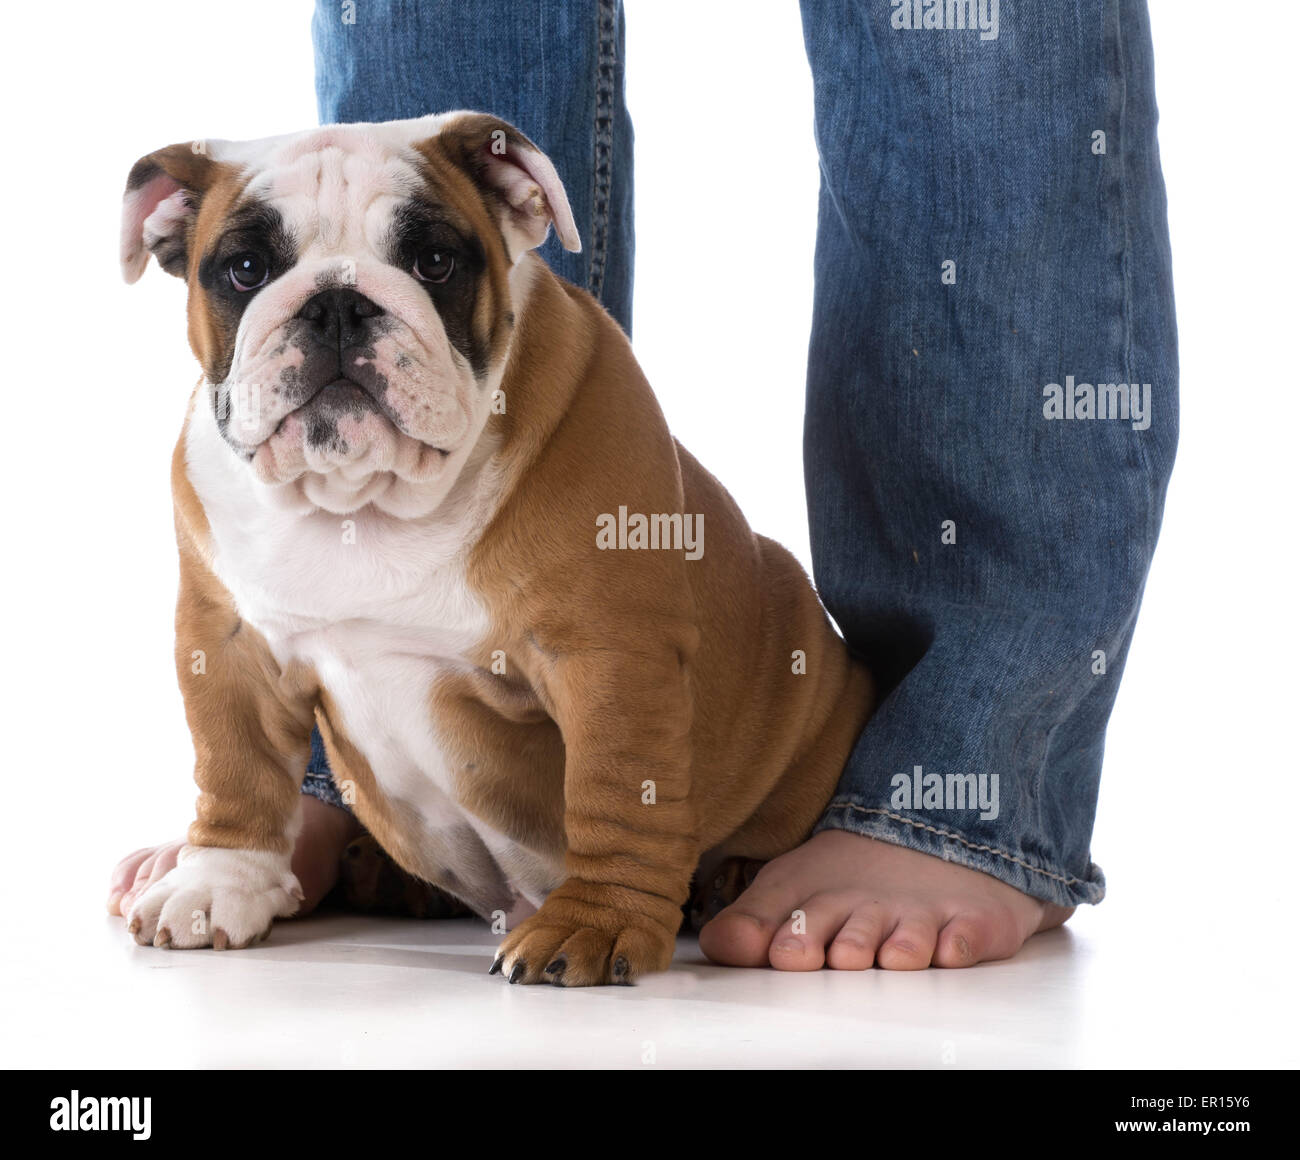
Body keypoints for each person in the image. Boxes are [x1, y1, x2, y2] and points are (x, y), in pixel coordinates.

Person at [109, 0, 1177, 971]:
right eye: (249, 270)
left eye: (430, 261)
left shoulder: (580, 422)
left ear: (526, 217)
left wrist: (624, 883)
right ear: (165, 233)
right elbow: (227, 639)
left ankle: (956, 783)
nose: (337, 323)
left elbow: (615, 654)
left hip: (732, 781)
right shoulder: (213, 468)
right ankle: (306, 811)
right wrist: (230, 832)